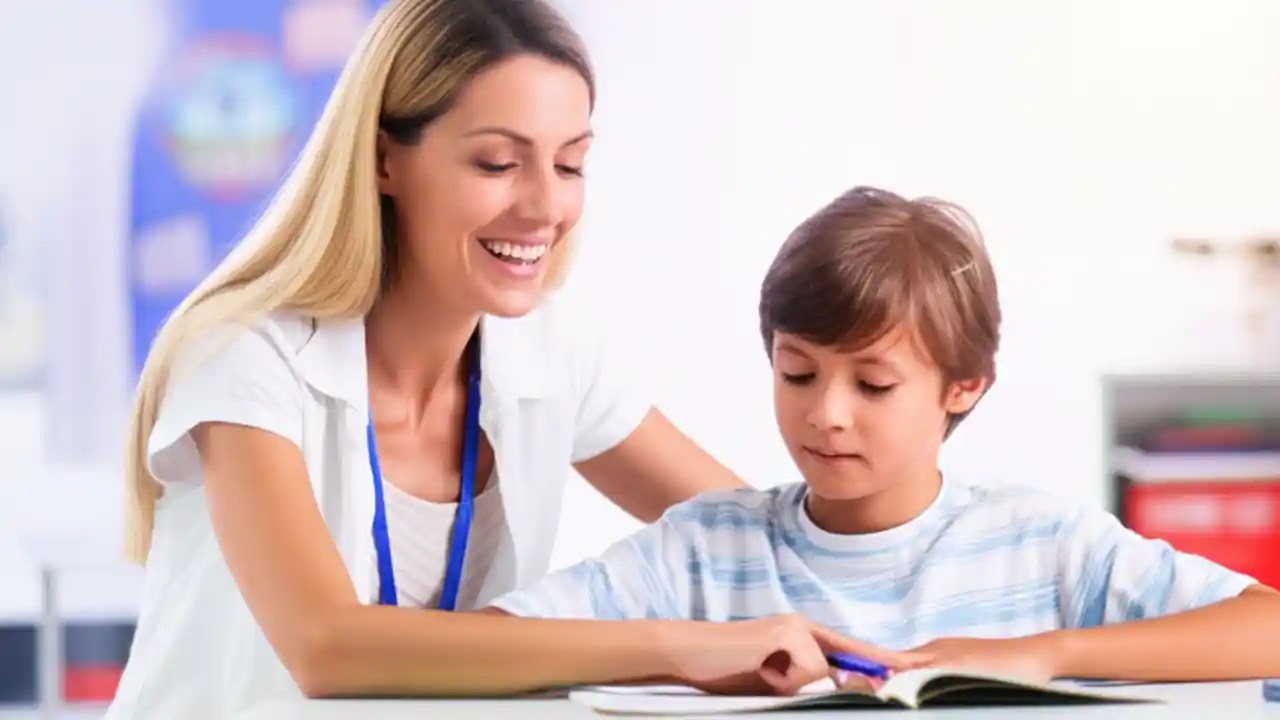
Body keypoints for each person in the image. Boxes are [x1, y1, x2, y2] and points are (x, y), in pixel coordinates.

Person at [107, 2, 897, 717]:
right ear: (384, 160)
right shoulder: (246, 356)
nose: (545, 206)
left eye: (570, 163)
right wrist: (673, 648)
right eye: (497, 163)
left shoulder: (549, 350)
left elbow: (753, 544)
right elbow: (326, 648)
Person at [491, 186, 1280, 684]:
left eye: (873, 384)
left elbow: (1267, 626)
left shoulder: (1043, 542)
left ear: (963, 387)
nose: (827, 413)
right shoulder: (702, 550)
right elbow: (496, 644)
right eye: (797, 373)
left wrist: (1044, 654)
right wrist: (673, 649)